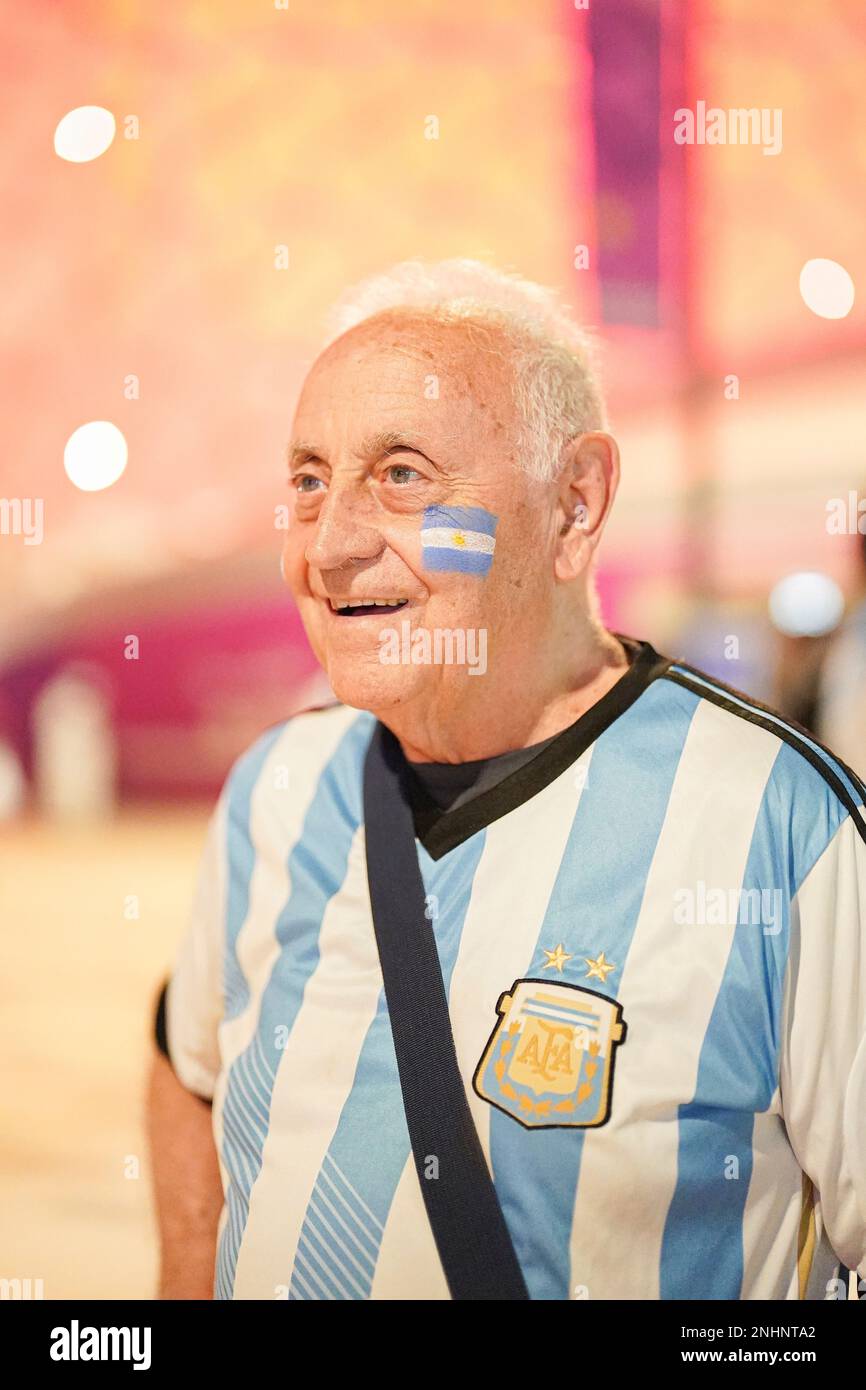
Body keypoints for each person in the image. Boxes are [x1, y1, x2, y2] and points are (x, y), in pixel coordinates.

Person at [148, 258, 866, 1300]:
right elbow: (184, 1058)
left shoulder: (782, 828)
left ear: (573, 505)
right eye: (308, 480)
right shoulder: (275, 788)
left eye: (401, 475)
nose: (332, 544)